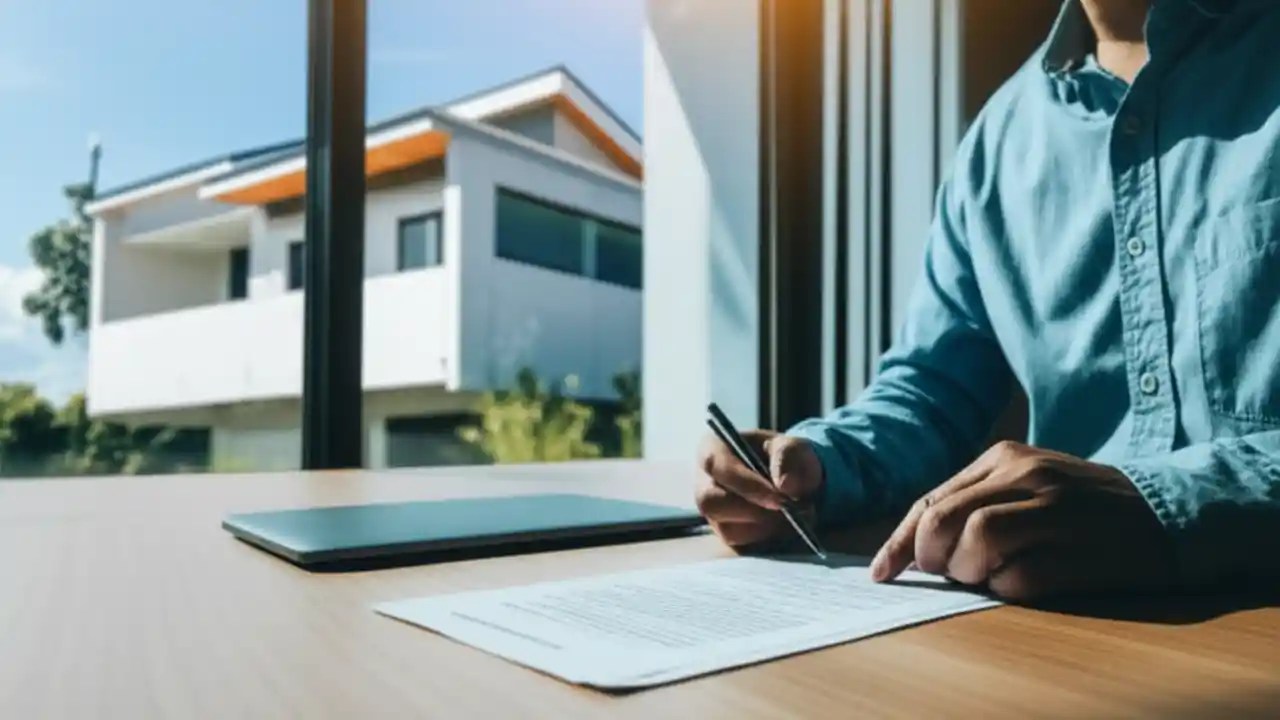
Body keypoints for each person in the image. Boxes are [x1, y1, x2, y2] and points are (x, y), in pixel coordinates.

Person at [695, 0, 1280, 601]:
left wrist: (1162, 503)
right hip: (1068, 628)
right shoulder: (999, 140)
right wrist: (817, 466)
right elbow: (932, 392)